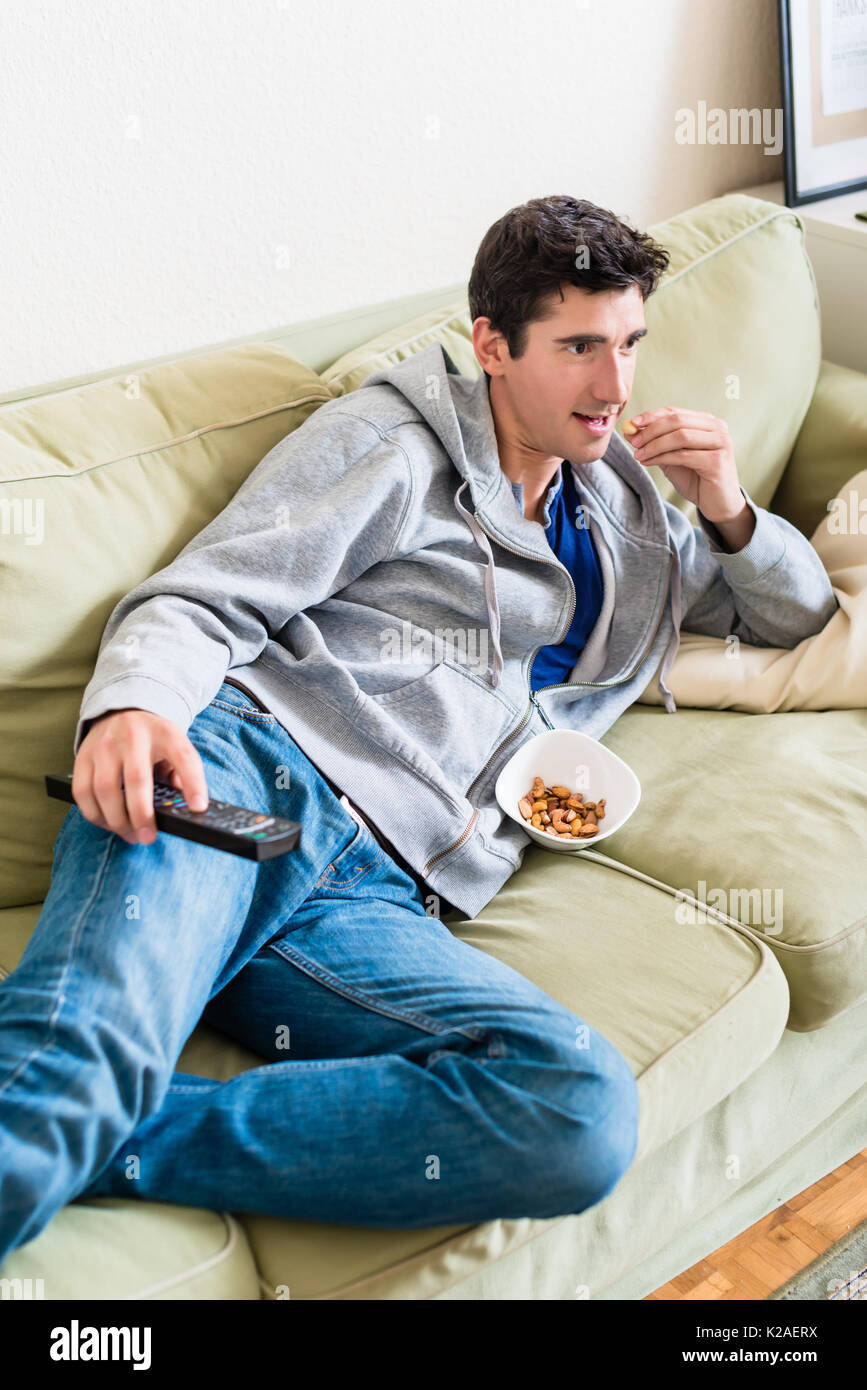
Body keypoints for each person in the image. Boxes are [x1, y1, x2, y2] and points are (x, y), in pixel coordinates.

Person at [0, 195, 837, 1263]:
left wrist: (726, 507)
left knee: (576, 1108)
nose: (616, 386)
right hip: (241, 780)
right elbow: (203, 599)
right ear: (493, 345)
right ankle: (76, 1101)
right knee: (85, 1058)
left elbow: (794, 617)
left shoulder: (627, 501)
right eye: (580, 347)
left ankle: (105, 1136)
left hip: (380, 892)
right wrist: (135, 704)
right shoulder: (391, 445)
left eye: (630, 343)